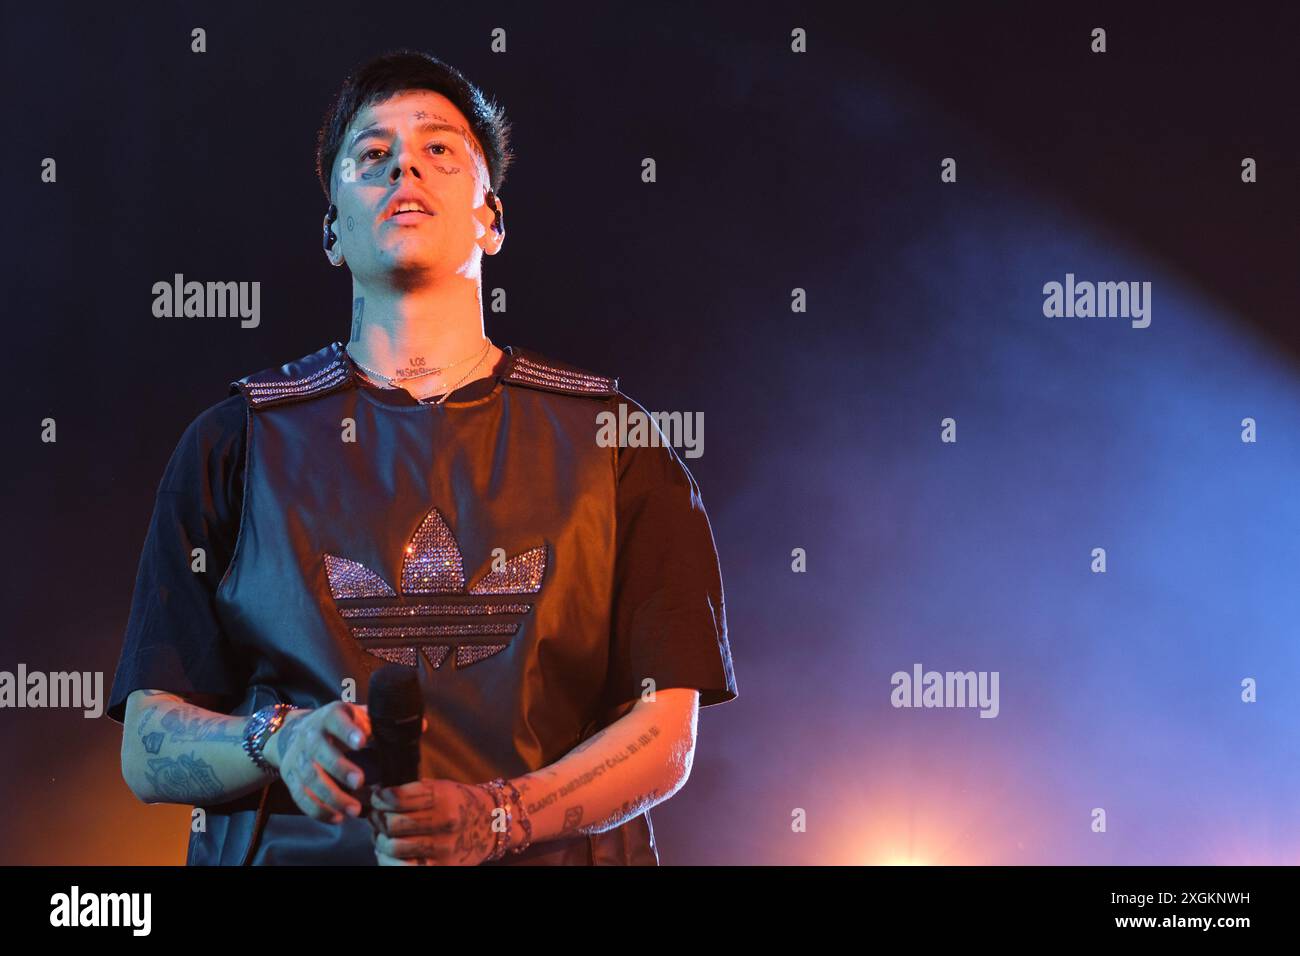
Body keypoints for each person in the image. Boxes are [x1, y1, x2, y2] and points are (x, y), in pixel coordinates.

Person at [107, 49, 737, 865]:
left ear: (492, 219)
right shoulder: (234, 442)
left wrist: (498, 814)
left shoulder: (616, 441)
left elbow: (664, 733)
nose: (404, 163)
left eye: (440, 148)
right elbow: (147, 745)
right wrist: (282, 741)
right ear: (332, 229)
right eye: (371, 155)